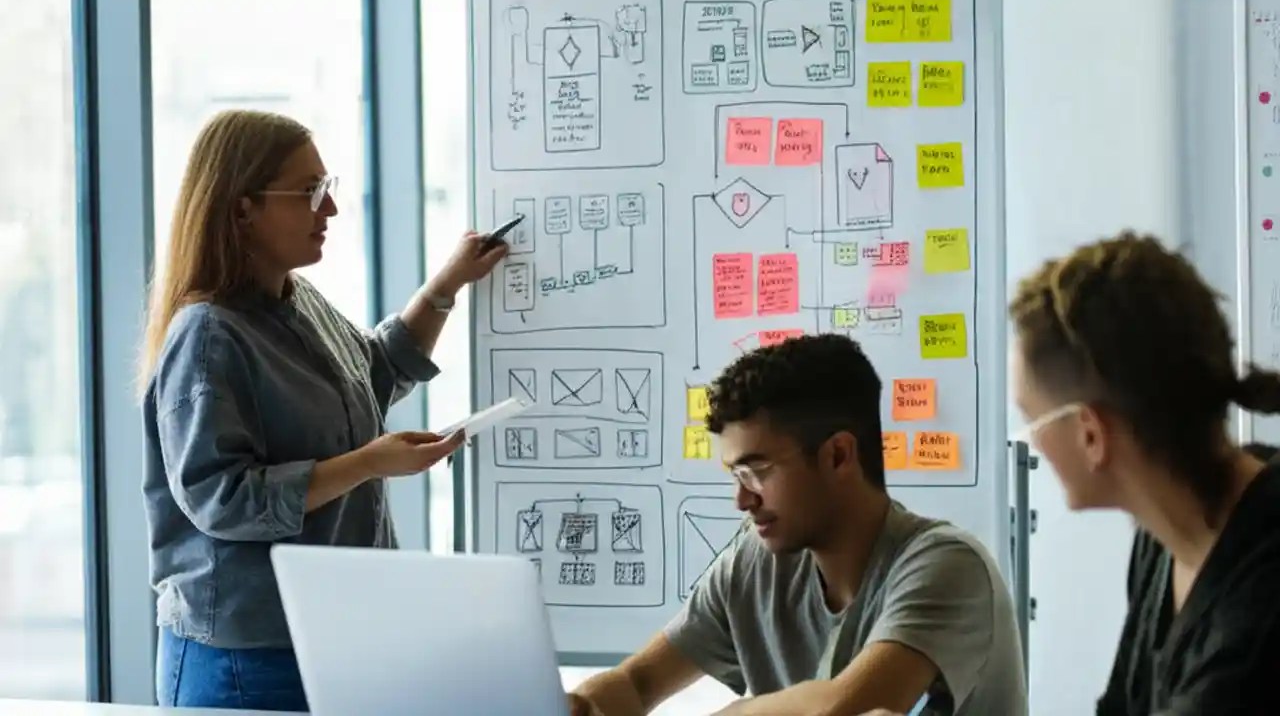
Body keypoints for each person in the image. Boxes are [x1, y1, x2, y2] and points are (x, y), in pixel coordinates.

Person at [139, 109, 507, 710]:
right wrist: (367, 464)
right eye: (310, 192)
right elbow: (221, 498)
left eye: (327, 188)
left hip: (325, 633)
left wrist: (445, 286)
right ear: (243, 209)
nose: (330, 209)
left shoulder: (296, 298)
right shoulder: (208, 335)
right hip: (246, 655)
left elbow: (370, 374)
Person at [568, 334, 1027, 716]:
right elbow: (639, 681)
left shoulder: (947, 566)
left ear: (838, 456)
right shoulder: (756, 561)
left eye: (757, 472)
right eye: (736, 476)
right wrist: (580, 707)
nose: (742, 500)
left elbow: (842, 710)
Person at [1008, 231, 1280, 715]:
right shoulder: (1163, 536)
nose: (1032, 443)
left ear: (1091, 434)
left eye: (1032, 421)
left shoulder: (1259, 609)